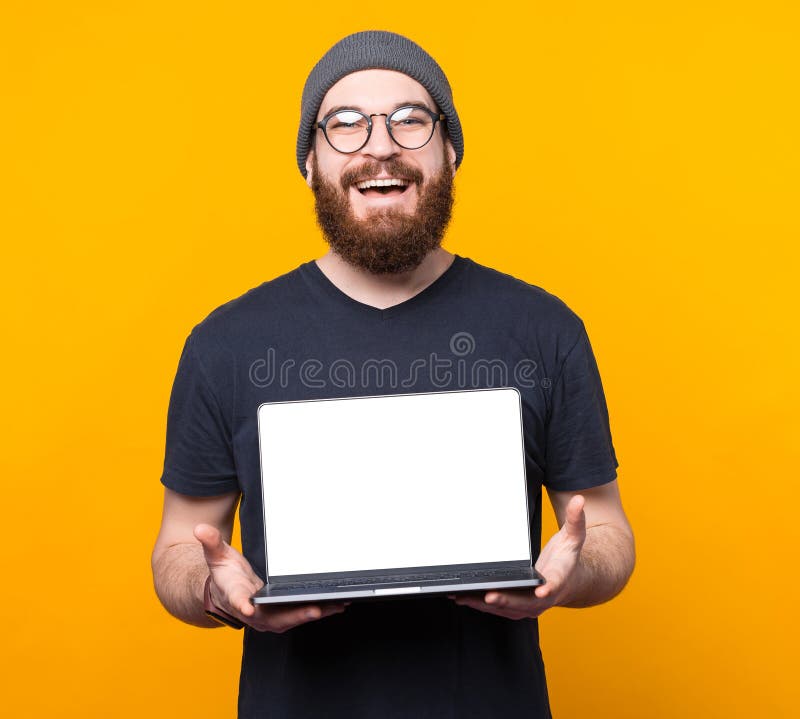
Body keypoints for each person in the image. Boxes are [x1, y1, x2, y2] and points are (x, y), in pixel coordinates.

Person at [151, 30, 635, 718]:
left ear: (450, 152)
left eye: (410, 120)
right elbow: (178, 545)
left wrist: (571, 573)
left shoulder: (544, 328)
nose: (379, 146)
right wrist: (213, 591)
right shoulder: (225, 343)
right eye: (345, 124)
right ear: (311, 163)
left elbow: (608, 532)